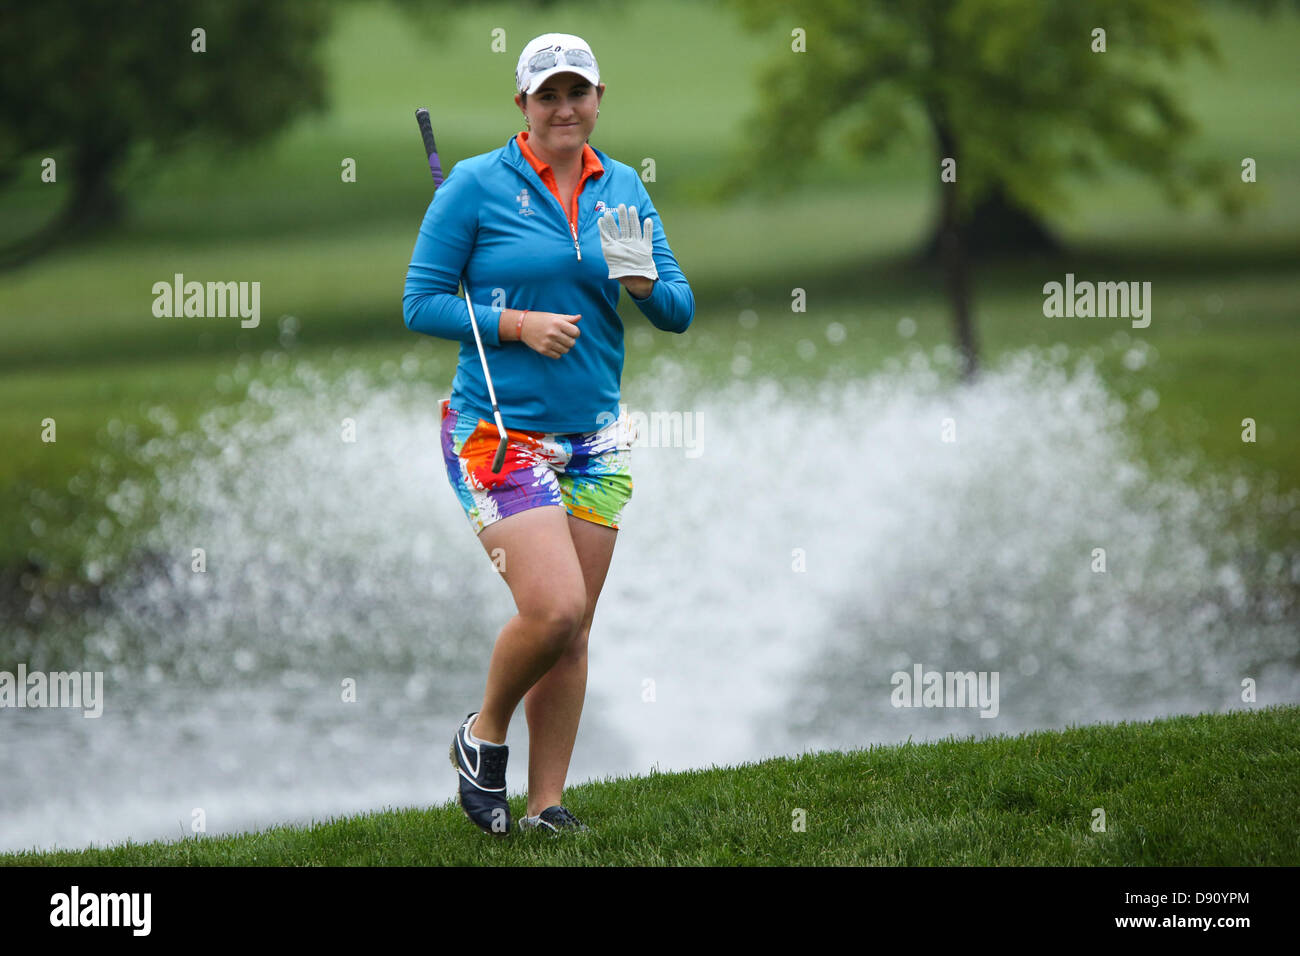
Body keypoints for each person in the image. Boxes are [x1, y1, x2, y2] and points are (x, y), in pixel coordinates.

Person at [402, 33, 694, 835]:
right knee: (555, 607)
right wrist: (515, 323)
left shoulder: (620, 186)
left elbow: (676, 309)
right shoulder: (475, 187)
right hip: (498, 435)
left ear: (599, 98)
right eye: (548, 95)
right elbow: (421, 303)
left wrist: (642, 282)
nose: (565, 109)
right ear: (523, 106)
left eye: (578, 93)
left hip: (594, 438)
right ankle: (482, 733)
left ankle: (546, 804)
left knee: (573, 633)